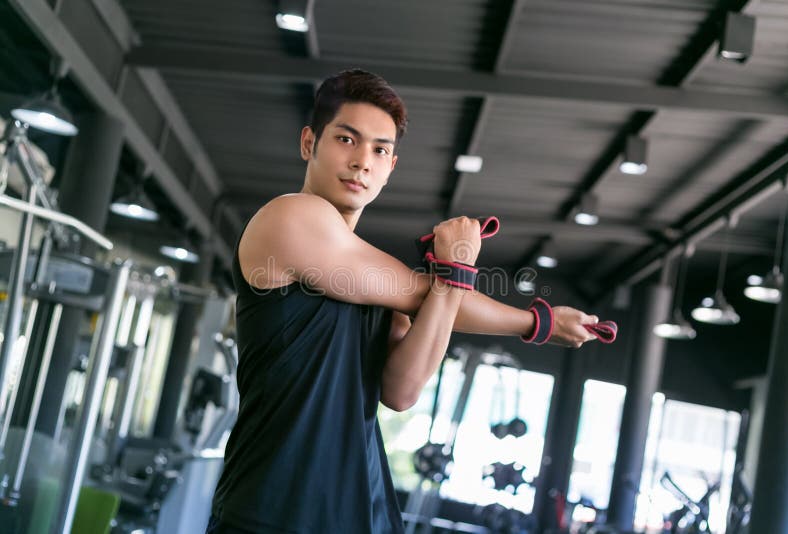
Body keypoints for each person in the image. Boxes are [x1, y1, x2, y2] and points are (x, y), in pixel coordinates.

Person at [206, 69, 600, 534]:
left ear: (391, 167)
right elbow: (420, 292)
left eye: (379, 149)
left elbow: (401, 390)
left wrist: (454, 282)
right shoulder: (290, 216)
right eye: (346, 140)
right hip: (271, 512)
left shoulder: (371, 282)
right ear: (309, 143)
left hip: (359, 512)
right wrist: (533, 318)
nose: (362, 162)